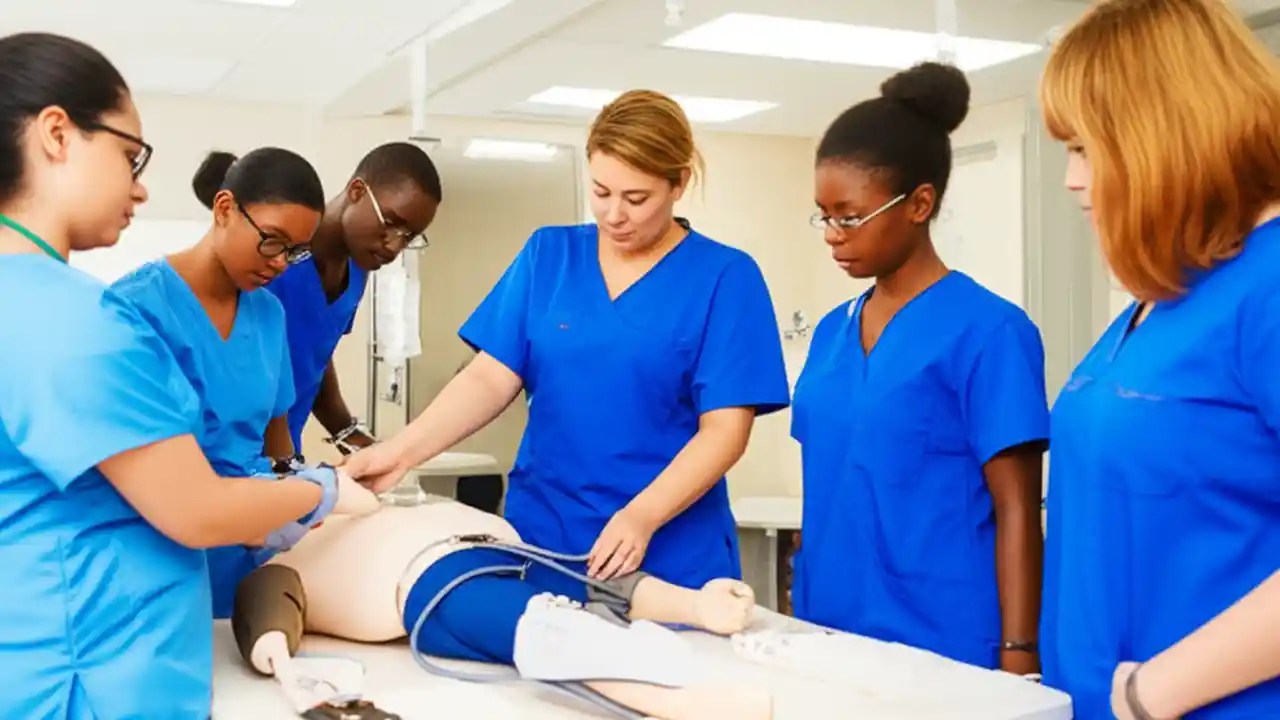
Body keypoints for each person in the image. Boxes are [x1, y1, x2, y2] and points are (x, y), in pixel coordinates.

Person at [0, 32, 338, 719]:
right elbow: (197, 510)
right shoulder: (80, 320)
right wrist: (321, 490)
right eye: (130, 155)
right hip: (95, 674)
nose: (142, 184)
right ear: (58, 134)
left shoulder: (29, 300)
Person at [342, 89, 790, 589]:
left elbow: (725, 431)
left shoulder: (725, 278)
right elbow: (490, 378)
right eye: (601, 191)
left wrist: (643, 515)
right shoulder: (548, 255)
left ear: (679, 183)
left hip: (669, 548)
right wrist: (399, 454)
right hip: (546, 537)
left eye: (636, 198)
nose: (614, 214)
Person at [1037, 0, 1280, 717]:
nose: (1071, 181)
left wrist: (1151, 694)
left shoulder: (1267, 286)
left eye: (1084, 148)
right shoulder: (1164, 298)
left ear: (1162, 136)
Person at [790, 62, 1049, 674]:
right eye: (823, 215)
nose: (832, 234)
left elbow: (1017, 508)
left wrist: (1020, 658)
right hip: (830, 634)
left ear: (919, 204)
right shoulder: (831, 334)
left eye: (849, 216)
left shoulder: (990, 332)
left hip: (948, 643)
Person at [228, 492, 769, 720]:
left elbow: (596, 579)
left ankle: (697, 608)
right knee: (540, 626)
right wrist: (281, 664)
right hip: (425, 582)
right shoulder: (282, 559)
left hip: (503, 546)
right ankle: (683, 698)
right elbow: (264, 609)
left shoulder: (355, 507)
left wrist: (696, 605)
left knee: (595, 582)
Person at [111, 147, 328, 618]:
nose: (280, 263)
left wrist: (298, 493)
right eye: (272, 240)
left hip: (246, 555)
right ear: (225, 208)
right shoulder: (135, 310)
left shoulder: (268, 314)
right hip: (158, 557)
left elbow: (276, 439)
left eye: (295, 252)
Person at [264, 142, 441, 456]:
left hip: (282, 458)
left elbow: (315, 356)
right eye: (391, 223)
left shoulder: (358, 268)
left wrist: (350, 435)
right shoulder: (276, 259)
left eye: (409, 236)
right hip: (228, 457)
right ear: (358, 191)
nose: (394, 246)